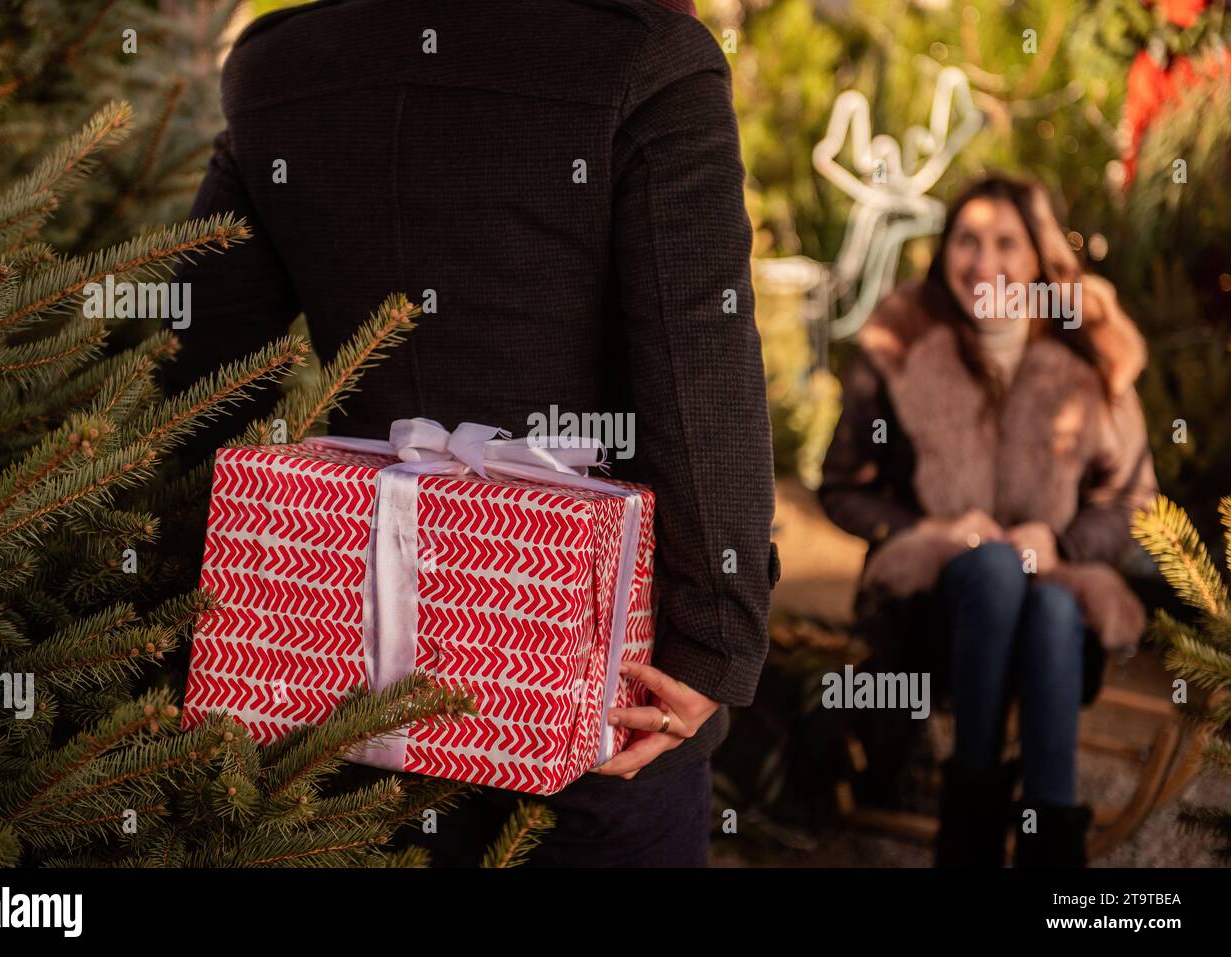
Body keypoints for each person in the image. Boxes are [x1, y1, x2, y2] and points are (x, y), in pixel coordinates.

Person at [160, 0, 778, 866]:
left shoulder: (285, 62)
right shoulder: (645, 58)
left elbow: (200, 374)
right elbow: (699, 365)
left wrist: (183, 610)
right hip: (599, 674)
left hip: (345, 658)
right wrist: (717, 638)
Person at [819, 174, 1158, 868]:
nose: (983, 262)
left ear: (1039, 257)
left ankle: (1035, 838)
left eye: (1007, 242)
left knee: (1055, 608)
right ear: (944, 249)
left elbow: (1132, 500)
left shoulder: (1088, 354)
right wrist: (935, 533)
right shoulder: (903, 342)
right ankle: (984, 817)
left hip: (1056, 615)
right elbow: (839, 488)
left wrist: (1057, 541)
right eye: (967, 240)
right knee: (997, 569)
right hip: (934, 617)